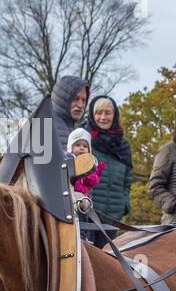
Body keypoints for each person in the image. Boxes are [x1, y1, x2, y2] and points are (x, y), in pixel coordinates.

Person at [75, 94, 132, 244]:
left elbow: (128, 178)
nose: (103, 117)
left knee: (107, 260)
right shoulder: (83, 141)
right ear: (92, 116)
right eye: (98, 113)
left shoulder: (123, 145)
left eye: (107, 113)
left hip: (113, 216)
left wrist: (124, 203)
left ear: (115, 115)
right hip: (89, 213)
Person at [47, 75, 89, 162]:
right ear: (62, 98)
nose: (80, 105)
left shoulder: (73, 128)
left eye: (83, 100)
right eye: (75, 99)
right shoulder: (46, 125)